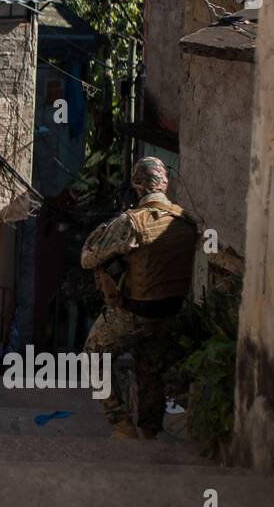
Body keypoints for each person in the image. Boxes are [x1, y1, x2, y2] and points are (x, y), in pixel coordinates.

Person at [80, 156, 197, 438]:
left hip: (134, 313)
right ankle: (149, 433)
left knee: (92, 357)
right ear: (165, 185)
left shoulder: (132, 222)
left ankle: (120, 424)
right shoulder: (186, 222)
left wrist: (103, 232)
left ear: (138, 186)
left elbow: (88, 258)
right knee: (150, 371)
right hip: (170, 314)